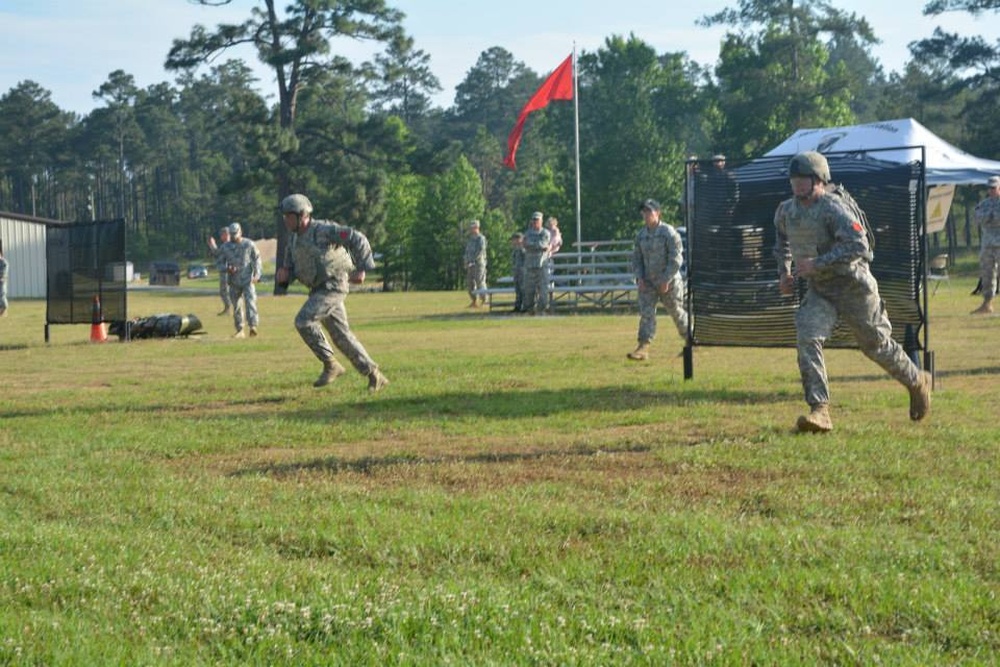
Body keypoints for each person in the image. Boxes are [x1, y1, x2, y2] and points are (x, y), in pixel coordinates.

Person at [773, 151, 931, 433]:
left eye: (804, 179)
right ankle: (820, 410)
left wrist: (816, 263)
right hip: (821, 290)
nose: (797, 185)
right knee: (807, 337)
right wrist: (784, 273)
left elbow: (860, 246)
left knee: (876, 346)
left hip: (854, 288)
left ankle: (917, 380)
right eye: (794, 179)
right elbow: (782, 242)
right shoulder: (787, 211)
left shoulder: (834, 208)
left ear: (819, 179)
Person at [275, 193, 389, 393]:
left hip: (334, 286)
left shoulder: (324, 230)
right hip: (318, 289)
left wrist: (362, 268)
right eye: (284, 216)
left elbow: (357, 238)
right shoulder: (293, 241)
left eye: (289, 216)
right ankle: (374, 375)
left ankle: (331, 364)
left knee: (304, 321)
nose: (286, 220)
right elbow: (291, 268)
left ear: (302, 215)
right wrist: (284, 277)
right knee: (341, 336)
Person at [627, 199, 688, 361]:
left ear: (658, 213)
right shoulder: (641, 235)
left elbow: (676, 259)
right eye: (644, 212)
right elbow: (636, 259)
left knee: (676, 312)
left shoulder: (669, 232)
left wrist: (665, 279)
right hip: (648, 283)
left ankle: (691, 341)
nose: (646, 215)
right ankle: (643, 347)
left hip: (670, 282)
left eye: (649, 211)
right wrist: (639, 278)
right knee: (646, 314)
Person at [218, 221, 262, 338]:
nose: (233, 236)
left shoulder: (249, 244)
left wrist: (257, 274)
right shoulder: (225, 247)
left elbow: (257, 259)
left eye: (235, 233)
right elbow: (219, 264)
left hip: (247, 280)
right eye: (231, 234)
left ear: (240, 232)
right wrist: (227, 269)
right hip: (234, 282)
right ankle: (240, 330)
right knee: (236, 306)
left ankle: (253, 327)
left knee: (250, 303)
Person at [971, 175, 1000, 314]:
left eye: (994, 187)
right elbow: (976, 218)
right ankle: (987, 304)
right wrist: (990, 216)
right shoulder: (984, 203)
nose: (991, 190)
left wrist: (988, 217)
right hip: (988, 244)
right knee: (987, 274)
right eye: (989, 188)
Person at [521, 211, 551, 314]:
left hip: (541, 266)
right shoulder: (528, 233)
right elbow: (524, 244)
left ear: (541, 221)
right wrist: (534, 245)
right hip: (529, 266)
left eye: (537, 220)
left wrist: (531, 245)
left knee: (543, 291)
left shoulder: (545, 233)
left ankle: (541, 310)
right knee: (529, 291)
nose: (535, 222)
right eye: (533, 220)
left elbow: (543, 245)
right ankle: (530, 311)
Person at [207, 225, 233, 315]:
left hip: (226, 271)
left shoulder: (226, 245)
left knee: (224, 291)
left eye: (222, 234)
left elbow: (217, 253)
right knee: (227, 291)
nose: (221, 236)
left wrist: (212, 245)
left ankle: (228, 308)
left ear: (226, 234)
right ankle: (228, 308)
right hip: (228, 270)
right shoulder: (230, 245)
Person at [463, 219, 488, 307]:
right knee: (470, 283)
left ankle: (484, 300)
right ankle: (474, 301)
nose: (472, 229)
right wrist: (466, 261)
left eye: (473, 227)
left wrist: (473, 260)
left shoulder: (481, 238)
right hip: (470, 264)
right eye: (471, 227)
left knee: (480, 281)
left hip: (479, 264)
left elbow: (480, 251)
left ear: (477, 227)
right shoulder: (470, 239)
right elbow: (467, 251)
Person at [544, 216, 562, 287]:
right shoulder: (548, 231)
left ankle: (550, 284)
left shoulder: (555, 230)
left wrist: (550, 248)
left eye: (552, 224)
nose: (550, 226)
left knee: (550, 268)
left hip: (554, 247)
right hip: (550, 247)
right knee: (548, 268)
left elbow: (556, 240)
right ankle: (549, 284)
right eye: (549, 224)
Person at [510, 231, 525, 313]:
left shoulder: (523, 250)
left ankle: (524, 306)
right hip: (516, 272)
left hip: (522, 272)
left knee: (523, 289)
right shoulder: (515, 250)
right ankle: (517, 306)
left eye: (514, 239)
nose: (513, 241)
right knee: (518, 289)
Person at [0, 246, 8, 317]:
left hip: (1, 282)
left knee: (2, 296)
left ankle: (4, 309)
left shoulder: (4, 262)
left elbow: (3, 273)